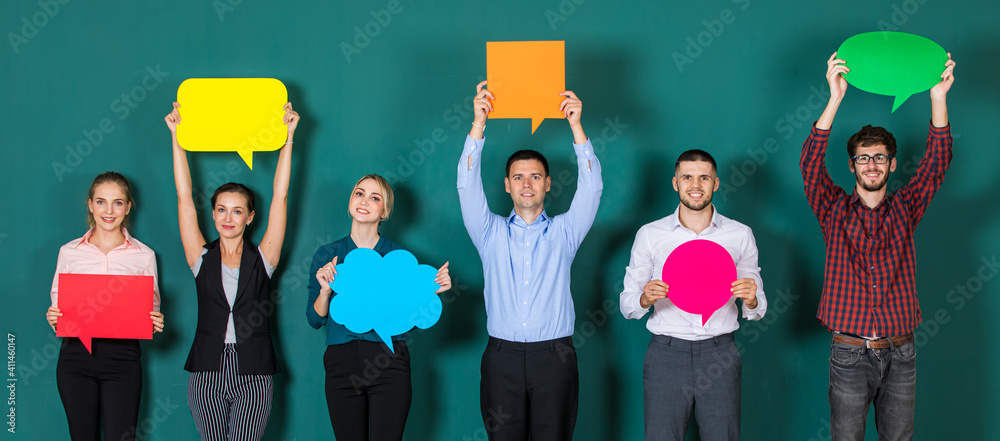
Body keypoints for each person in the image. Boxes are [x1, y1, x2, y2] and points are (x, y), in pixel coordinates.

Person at [800, 52, 956, 440]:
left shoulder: (907, 207)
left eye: (880, 157)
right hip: (849, 354)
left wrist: (938, 96)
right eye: (863, 157)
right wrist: (835, 97)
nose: (872, 164)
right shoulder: (832, 208)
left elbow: (937, 162)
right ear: (852, 165)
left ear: (892, 163)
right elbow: (809, 165)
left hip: (902, 353)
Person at [456, 80, 602, 440]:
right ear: (506, 185)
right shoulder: (487, 232)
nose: (526, 184)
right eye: (518, 177)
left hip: (555, 357)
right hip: (500, 358)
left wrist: (576, 125)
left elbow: (592, 188)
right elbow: (466, 185)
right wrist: (478, 123)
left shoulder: (566, 233)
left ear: (548, 184)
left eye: (535, 177)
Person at [165, 101, 298, 441]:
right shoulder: (200, 256)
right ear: (212, 215)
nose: (228, 217)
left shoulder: (264, 258)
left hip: (253, 369)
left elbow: (280, 197)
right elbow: (183, 197)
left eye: (237, 211)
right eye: (221, 209)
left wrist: (289, 138)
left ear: (250, 217)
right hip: (207, 369)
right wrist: (176, 137)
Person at [619, 149, 766, 441]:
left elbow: (758, 305)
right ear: (675, 183)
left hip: (720, 353)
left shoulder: (740, 234)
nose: (695, 185)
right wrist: (645, 298)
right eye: (687, 177)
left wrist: (751, 298)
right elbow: (627, 304)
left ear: (716, 183)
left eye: (704, 178)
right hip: (666, 354)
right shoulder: (651, 234)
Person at [306, 174, 452, 440]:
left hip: (390, 361)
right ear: (351, 200)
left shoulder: (400, 259)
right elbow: (315, 319)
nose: (365, 201)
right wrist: (326, 291)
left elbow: (418, 312)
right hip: (342, 362)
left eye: (375, 198)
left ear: (384, 211)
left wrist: (433, 288)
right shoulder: (327, 255)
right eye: (359, 193)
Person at [46, 171, 165, 441]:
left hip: (122, 360)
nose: (109, 210)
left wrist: (154, 320)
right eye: (101, 202)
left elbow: (150, 307)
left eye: (117, 202)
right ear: (90, 204)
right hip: (75, 358)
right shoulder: (69, 252)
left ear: (128, 207)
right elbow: (58, 306)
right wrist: (53, 316)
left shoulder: (144, 256)